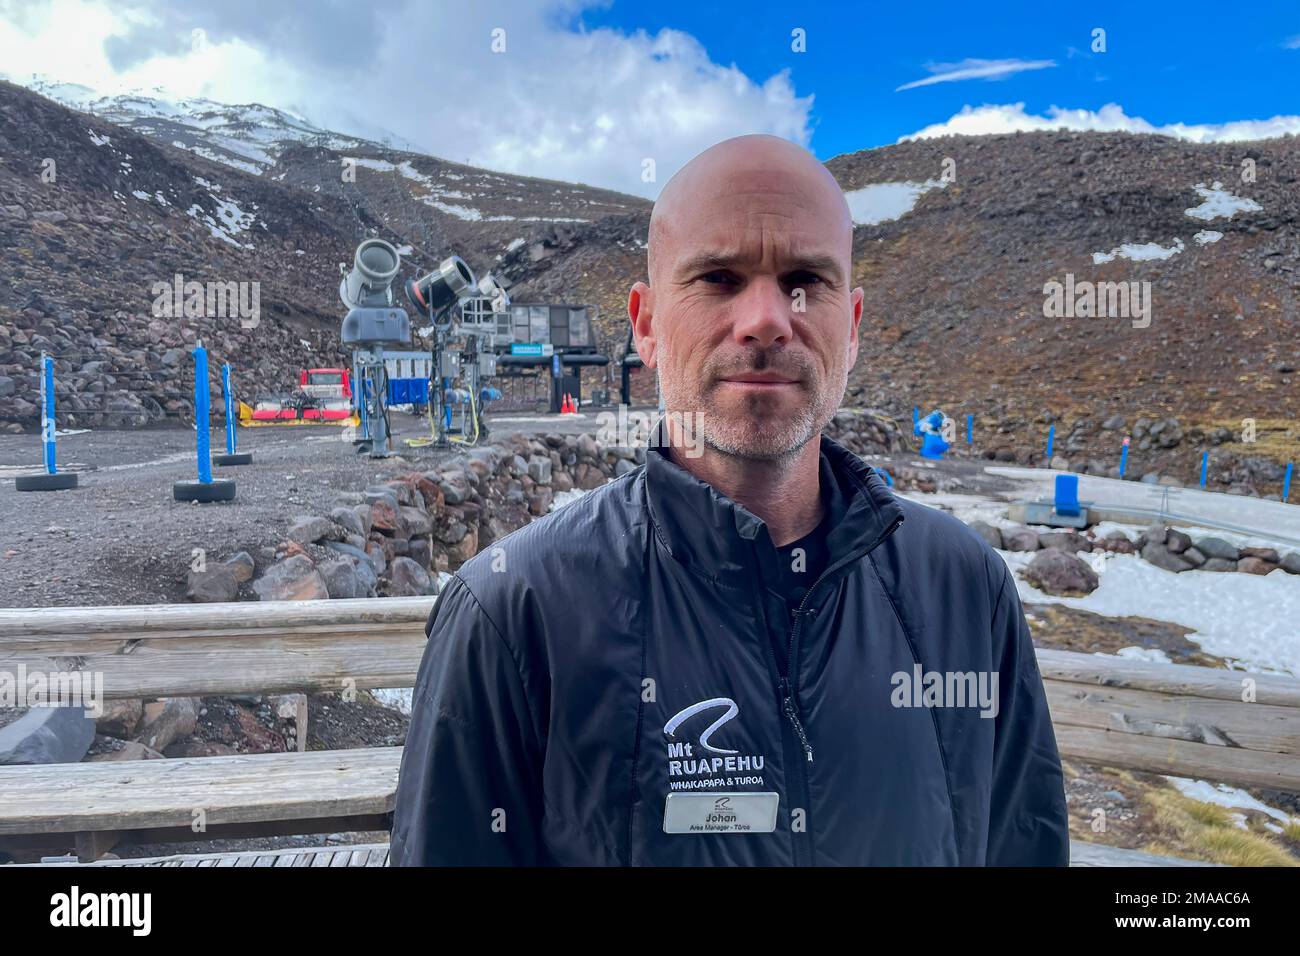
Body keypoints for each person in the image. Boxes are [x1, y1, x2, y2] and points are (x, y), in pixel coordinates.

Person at [390, 134, 1069, 866]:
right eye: (718, 278)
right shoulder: (514, 611)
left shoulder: (965, 587)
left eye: (807, 279)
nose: (767, 319)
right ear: (646, 325)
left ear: (854, 327)